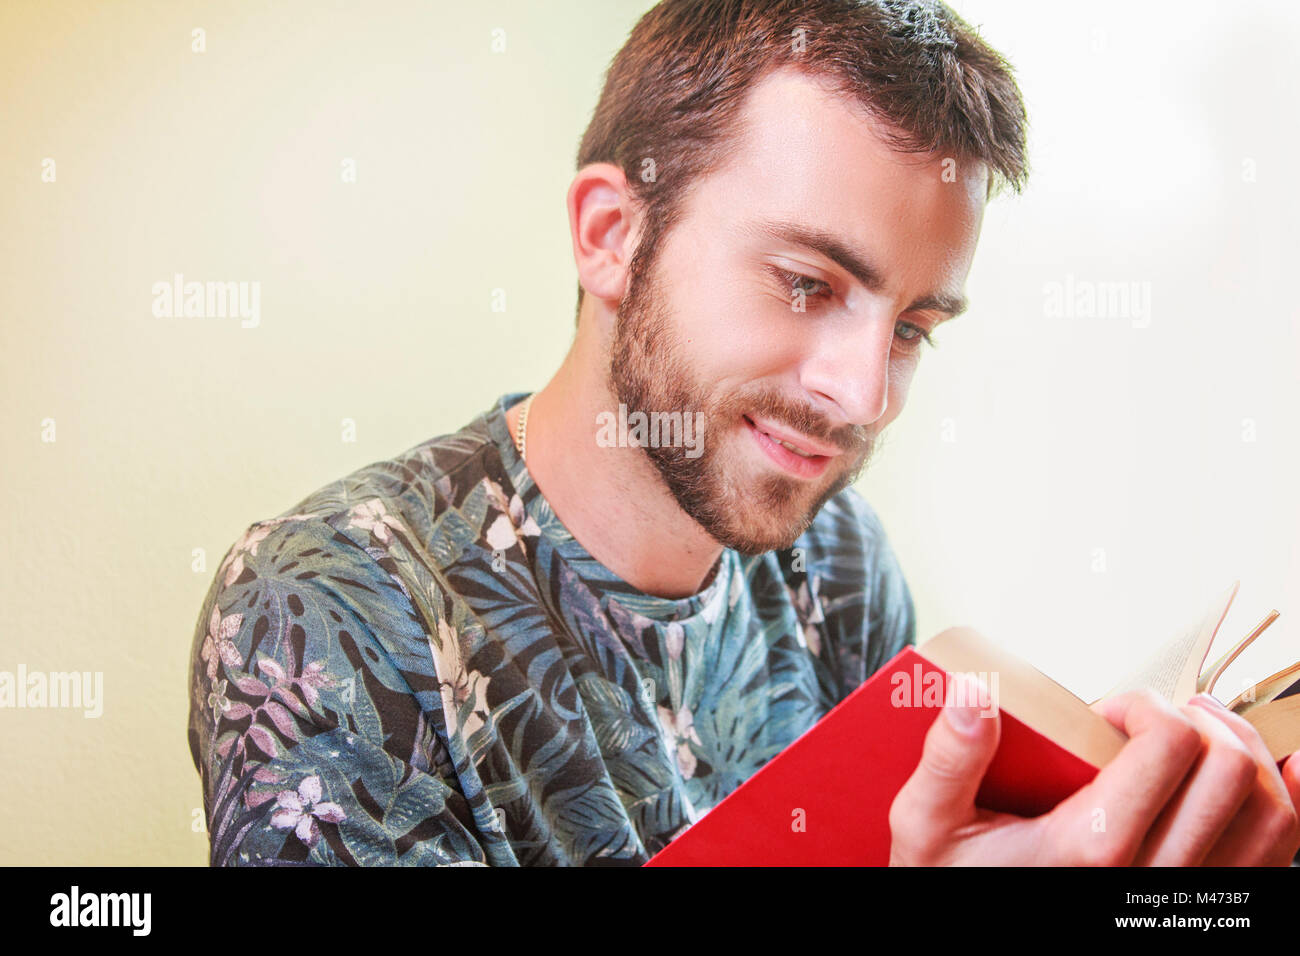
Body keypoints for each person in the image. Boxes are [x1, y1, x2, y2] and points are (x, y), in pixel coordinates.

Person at [187, 0, 1300, 866]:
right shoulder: (331, 603)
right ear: (613, 236)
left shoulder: (839, 560)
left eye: (911, 326)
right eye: (807, 283)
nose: (861, 395)